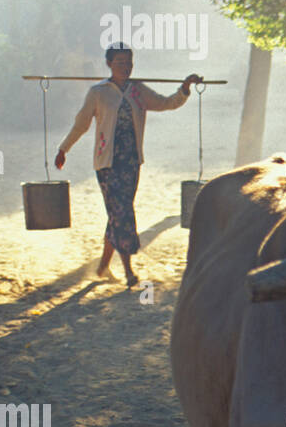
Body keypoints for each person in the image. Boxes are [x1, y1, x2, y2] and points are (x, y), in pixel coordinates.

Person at [54, 43, 201, 287]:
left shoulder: (137, 91)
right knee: (122, 212)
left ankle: (102, 266)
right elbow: (81, 124)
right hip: (107, 163)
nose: (126, 67)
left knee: (117, 213)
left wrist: (184, 89)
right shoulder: (98, 93)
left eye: (129, 62)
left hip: (131, 162)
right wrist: (63, 149)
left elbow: (167, 103)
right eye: (120, 62)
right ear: (109, 64)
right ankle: (128, 270)